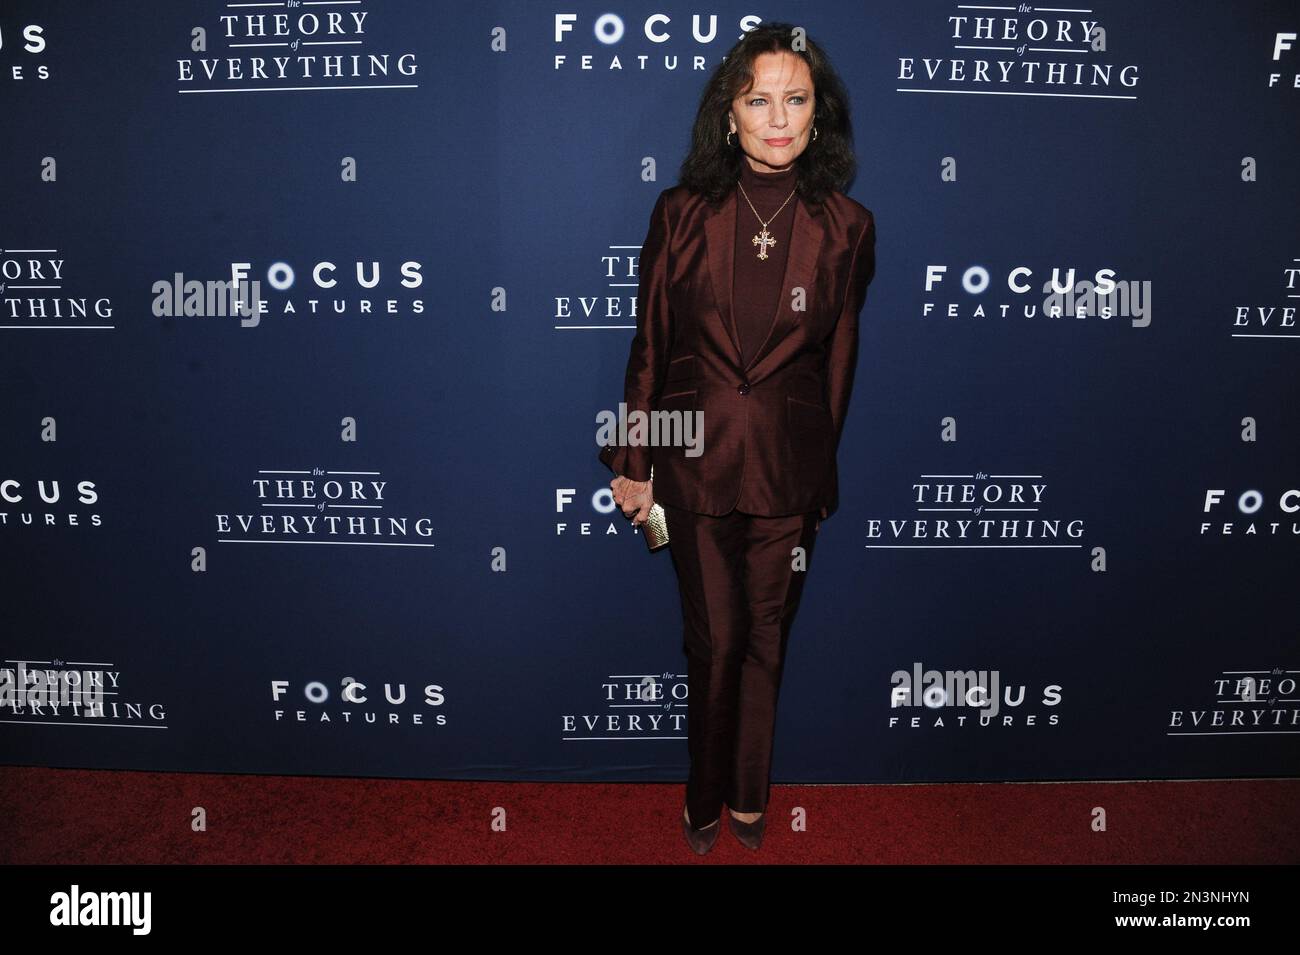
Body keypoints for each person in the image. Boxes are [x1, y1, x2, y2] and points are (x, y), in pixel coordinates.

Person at [605, 22, 877, 855]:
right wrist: (632, 460)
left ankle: (750, 794)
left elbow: (839, 361)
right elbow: (649, 341)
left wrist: (821, 474)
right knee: (715, 640)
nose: (778, 118)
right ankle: (702, 794)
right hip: (691, 461)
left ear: (817, 114)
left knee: (767, 638)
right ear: (730, 114)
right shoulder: (680, 212)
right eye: (759, 100)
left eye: (796, 99)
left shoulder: (849, 227)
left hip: (790, 472)